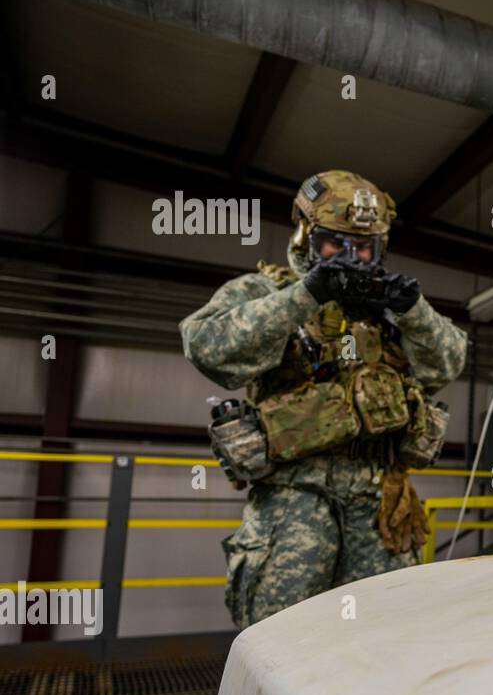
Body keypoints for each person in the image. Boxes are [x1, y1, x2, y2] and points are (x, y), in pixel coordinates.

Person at [181, 170, 467, 627]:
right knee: (280, 635)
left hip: (379, 499)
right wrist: (308, 295)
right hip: (294, 497)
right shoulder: (269, 292)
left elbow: (447, 366)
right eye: (338, 243)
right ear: (306, 235)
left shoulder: (390, 311)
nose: (355, 256)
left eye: (367, 247)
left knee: (388, 634)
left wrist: (414, 311)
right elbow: (208, 348)